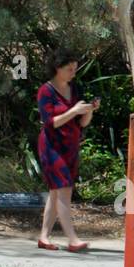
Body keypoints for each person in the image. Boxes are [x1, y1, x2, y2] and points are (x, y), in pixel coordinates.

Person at [35, 48, 100, 252]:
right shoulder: (45, 91)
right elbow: (50, 122)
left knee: (56, 193)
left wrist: (89, 110)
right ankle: (73, 239)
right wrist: (73, 110)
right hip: (52, 146)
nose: (74, 72)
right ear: (57, 68)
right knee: (64, 190)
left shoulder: (75, 88)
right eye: (69, 69)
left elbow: (82, 123)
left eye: (75, 68)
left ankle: (44, 237)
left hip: (70, 146)